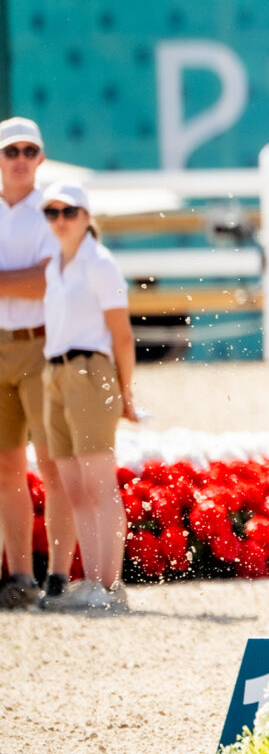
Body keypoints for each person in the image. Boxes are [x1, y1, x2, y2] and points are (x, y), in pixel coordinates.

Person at [35, 182, 135, 614]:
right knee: (74, 486)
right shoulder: (56, 264)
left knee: (98, 482)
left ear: (86, 216)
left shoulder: (101, 264)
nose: (60, 220)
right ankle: (93, 580)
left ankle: (109, 585)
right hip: (55, 371)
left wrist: (126, 392)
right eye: (52, 212)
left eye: (69, 211)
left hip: (90, 370)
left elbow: (122, 335)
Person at [0, 117, 66, 610]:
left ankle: (59, 576)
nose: (20, 159)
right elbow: (31, 279)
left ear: (40, 158)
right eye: (11, 151)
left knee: (51, 464)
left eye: (28, 151)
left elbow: (46, 282)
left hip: (41, 345)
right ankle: (20, 575)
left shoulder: (52, 211)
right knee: (6, 466)